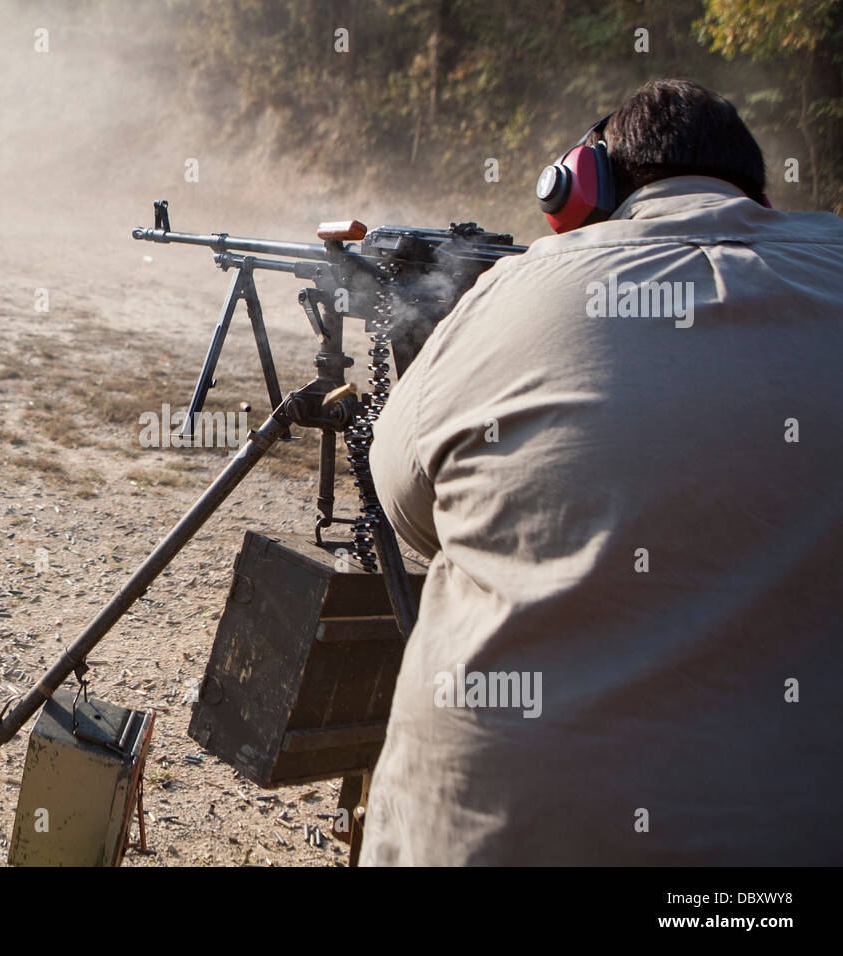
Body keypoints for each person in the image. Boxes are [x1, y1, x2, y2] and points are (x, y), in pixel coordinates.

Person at [365, 79, 843, 865]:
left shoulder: (517, 289)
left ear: (582, 187)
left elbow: (407, 506)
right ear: (758, 196)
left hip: (493, 835)